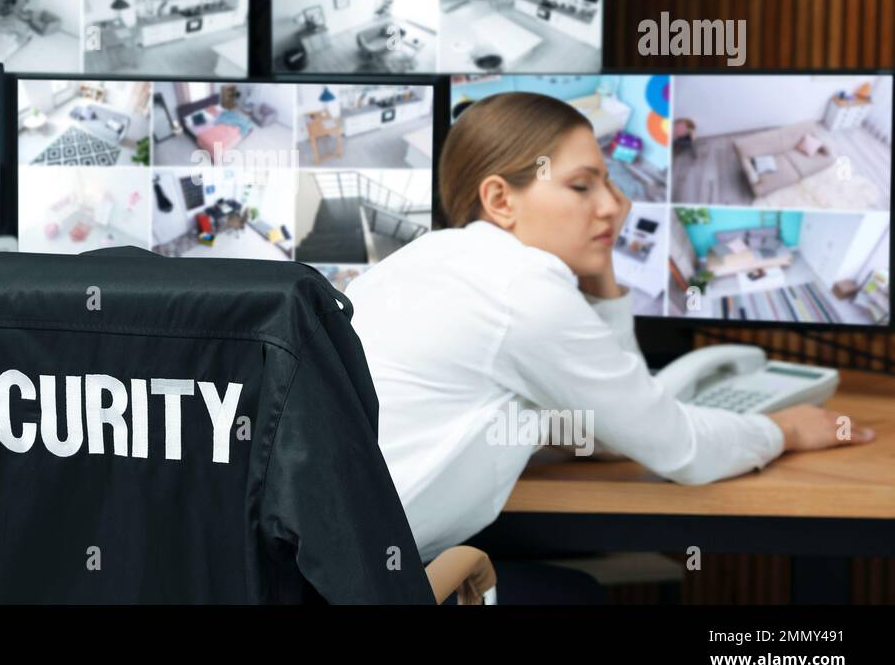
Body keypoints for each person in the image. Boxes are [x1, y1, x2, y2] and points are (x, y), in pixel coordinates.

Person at [345, 91, 876, 600]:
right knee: (574, 595)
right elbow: (678, 449)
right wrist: (783, 430)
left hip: (313, 570)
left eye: (609, 185)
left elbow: (608, 433)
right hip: (363, 588)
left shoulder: (418, 263)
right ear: (500, 199)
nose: (613, 209)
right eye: (582, 187)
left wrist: (601, 273)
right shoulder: (521, 290)